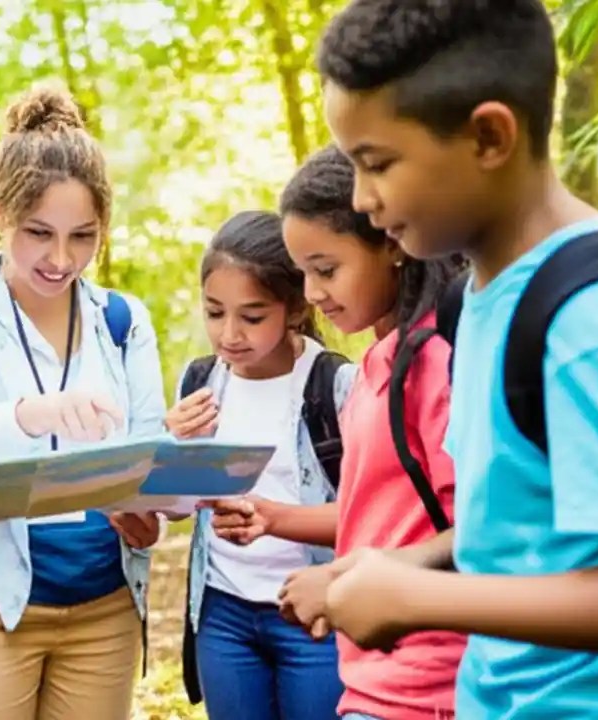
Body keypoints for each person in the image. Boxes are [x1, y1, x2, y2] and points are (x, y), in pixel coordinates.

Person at [313, 1, 598, 718]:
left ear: (490, 135)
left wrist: (419, 598)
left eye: (378, 164)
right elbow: (539, 526)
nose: (363, 200)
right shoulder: (481, 301)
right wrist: (413, 560)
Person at [0, 84, 166, 720]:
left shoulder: (123, 320)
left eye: (83, 236)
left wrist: (150, 515)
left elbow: (150, 450)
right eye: (38, 233)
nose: (61, 258)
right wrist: (28, 415)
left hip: (105, 603)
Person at [206, 147, 466, 720]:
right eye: (303, 273)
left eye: (327, 270)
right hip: (374, 680)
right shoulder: (380, 362)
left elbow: (482, 532)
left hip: (433, 689)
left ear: (391, 243)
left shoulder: (435, 361)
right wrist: (277, 519)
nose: (313, 293)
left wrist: (338, 580)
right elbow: (380, 518)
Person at [164, 210, 353, 720]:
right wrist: (173, 446)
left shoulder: (335, 387)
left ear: (293, 307)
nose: (229, 334)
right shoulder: (200, 381)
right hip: (223, 612)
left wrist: (273, 518)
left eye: (251, 317)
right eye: (213, 312)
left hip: (311, 615)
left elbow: (369, 517)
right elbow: (177, 510)